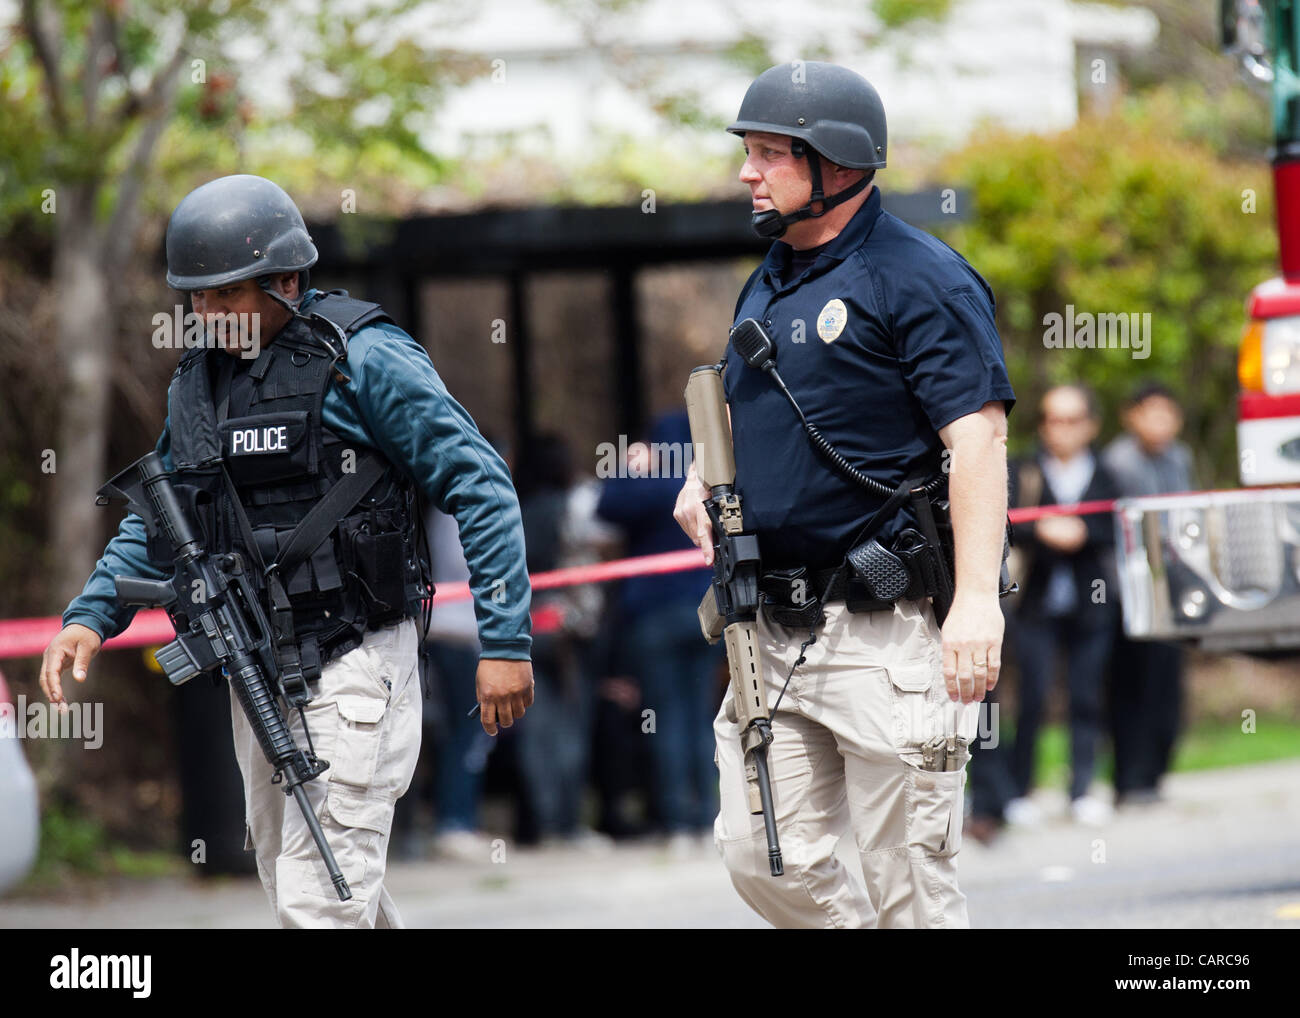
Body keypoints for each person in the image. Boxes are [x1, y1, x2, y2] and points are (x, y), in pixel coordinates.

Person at [38, 174, 534, 928]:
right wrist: (91, 612)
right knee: (307, 886)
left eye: (226, 296)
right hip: (261, 666)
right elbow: (165, 510)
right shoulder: (199, 385)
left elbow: (482, 485)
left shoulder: (363, 359)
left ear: (286, 281)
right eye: (196, 299)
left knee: (319, 901)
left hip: (357, 657)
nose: (207, 316)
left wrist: (506, 641)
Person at [674, 62, 1015, 929]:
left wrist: (976, 601)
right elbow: (755, 409)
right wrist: (699, 474)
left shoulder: (921, 277)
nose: (747, 173)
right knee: (763, 860)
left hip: (886, 638)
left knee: (910, 888)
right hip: (770, 635)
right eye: (747, 154)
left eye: (767, 155)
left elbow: (977, 442)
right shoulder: (771, 277)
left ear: (835, 164)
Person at [597, 410, 721, 854]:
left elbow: (604, 506)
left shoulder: (647, 482)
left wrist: (633, 468)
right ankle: (708, 818)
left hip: (652, 616)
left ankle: (675, 822)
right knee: (702, 715)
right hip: (704, 614)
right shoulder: (705, 481)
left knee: (665, 718)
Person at [1003, 384, 1120, 827]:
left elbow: (1117, 526)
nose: (1061, 429)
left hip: (1093, 604)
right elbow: (1004, 522)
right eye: (1052, 419)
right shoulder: (1024, 470)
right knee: (1030, 696)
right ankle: (1020, 790)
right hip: (1036, 603)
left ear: (1090, 425)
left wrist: (1082, 532)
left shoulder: (1106, 472)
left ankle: (1082, 788)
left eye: (1072, 419)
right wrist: (1043, 531)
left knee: (1087, 696)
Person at [1101, 380, 1195, 806]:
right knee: (1130, 687)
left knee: (1167, 688)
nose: (1160, 423)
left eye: (1167, 413)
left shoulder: (1181, 458)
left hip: (1173, 593)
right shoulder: (1117, 463)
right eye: (1151, 413)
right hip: (1129, 595)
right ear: (1132, 416)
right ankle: (1129, 780)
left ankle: (1156, 776)